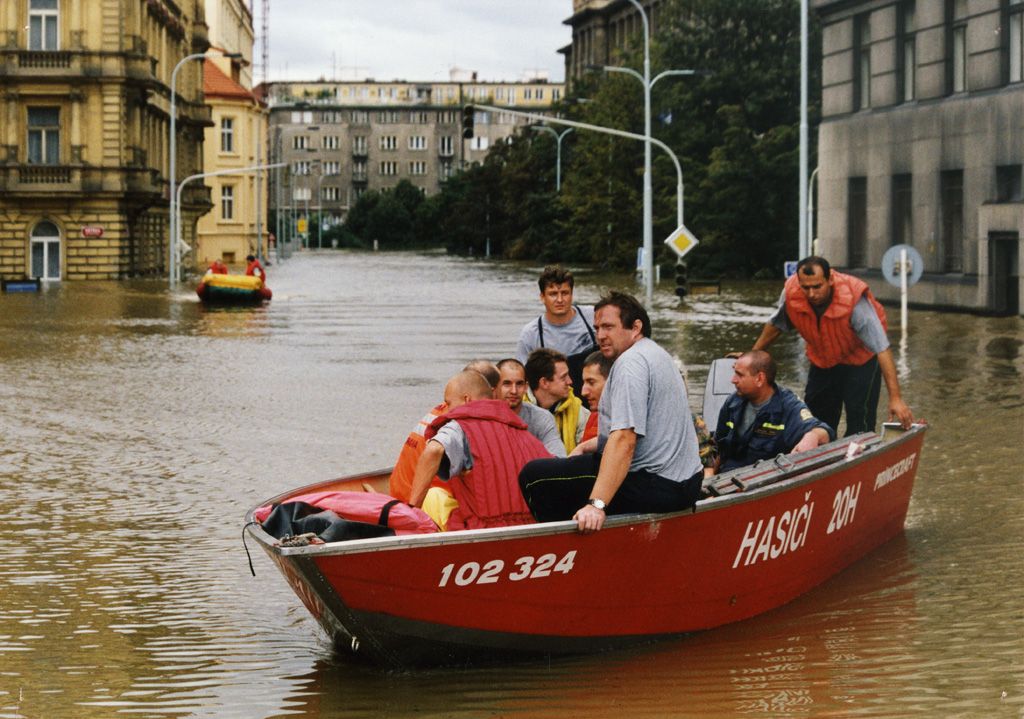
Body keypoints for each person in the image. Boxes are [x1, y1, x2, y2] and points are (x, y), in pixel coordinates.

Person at [519, 291, 704, 534]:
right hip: (687, 481)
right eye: (597, 328)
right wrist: (589, 445)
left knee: (535, 476)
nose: (600, 336)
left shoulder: (630, 364)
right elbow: (649, 427)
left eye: (608, 327)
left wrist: (597, 504)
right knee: (578, 467)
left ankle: (567, 550)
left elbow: (625, 438)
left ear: (635, 327)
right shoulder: (657, 353)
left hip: (659, 485)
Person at [751, 256, 914, 435]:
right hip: (823, 361)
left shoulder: (855, 302)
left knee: (860, 421)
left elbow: (882, 349)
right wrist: (752, 356)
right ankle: (818, 457)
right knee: (813, 421)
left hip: (861, 361)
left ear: (830, 280)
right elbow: (776, 325)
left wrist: (896, 398)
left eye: (817, 287)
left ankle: (858, 452)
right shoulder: (791, 293)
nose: (812, 294)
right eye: (806, 287)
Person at [408, 370, 551, 530]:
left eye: (449, 404)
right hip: (530, 529)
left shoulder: (460, 426)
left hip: (481, 530)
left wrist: (410, 511)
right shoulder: (526, 435)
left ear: (467, 400)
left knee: (433, 497)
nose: (447, 411)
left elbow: (434, 450)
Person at [387, 360, 500, 503]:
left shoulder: (443, 408)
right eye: (505, 385)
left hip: (398, 493)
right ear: (492, 391)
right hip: (424, 503)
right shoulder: (460, 422)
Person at [712, 351, 835, 474]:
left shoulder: (788, 405)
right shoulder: (732, 402)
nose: (733, 380)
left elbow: (823, 431)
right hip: (727, 477)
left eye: (740, 375)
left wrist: (812, 436)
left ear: (760, 378)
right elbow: (719, 449)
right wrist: (709, 478)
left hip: (764, 479)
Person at [516, 265, 598, 392]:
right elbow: (523, 381)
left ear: (572, 294)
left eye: (564, 293)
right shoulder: (530, 334)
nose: (560, 300)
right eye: (553, 294)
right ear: (542, 297)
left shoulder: (594, 316)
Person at [496, 358, 566, 457]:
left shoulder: (542, 417)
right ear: (495, 387)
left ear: (526, 387)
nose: (514, 391)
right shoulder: (484, 419)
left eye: (519, 384)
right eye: (507, 384)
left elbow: (558, 458)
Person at [524, 348, 590, 454]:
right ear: (544, 382)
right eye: (563, 377)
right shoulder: (518, 411)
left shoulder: (579, 413)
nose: (570, 381)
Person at [577, 350, 612, 445]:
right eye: (584, 383)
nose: (583, 392)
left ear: (611, 382)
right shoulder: (595, 416)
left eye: (591, 382)